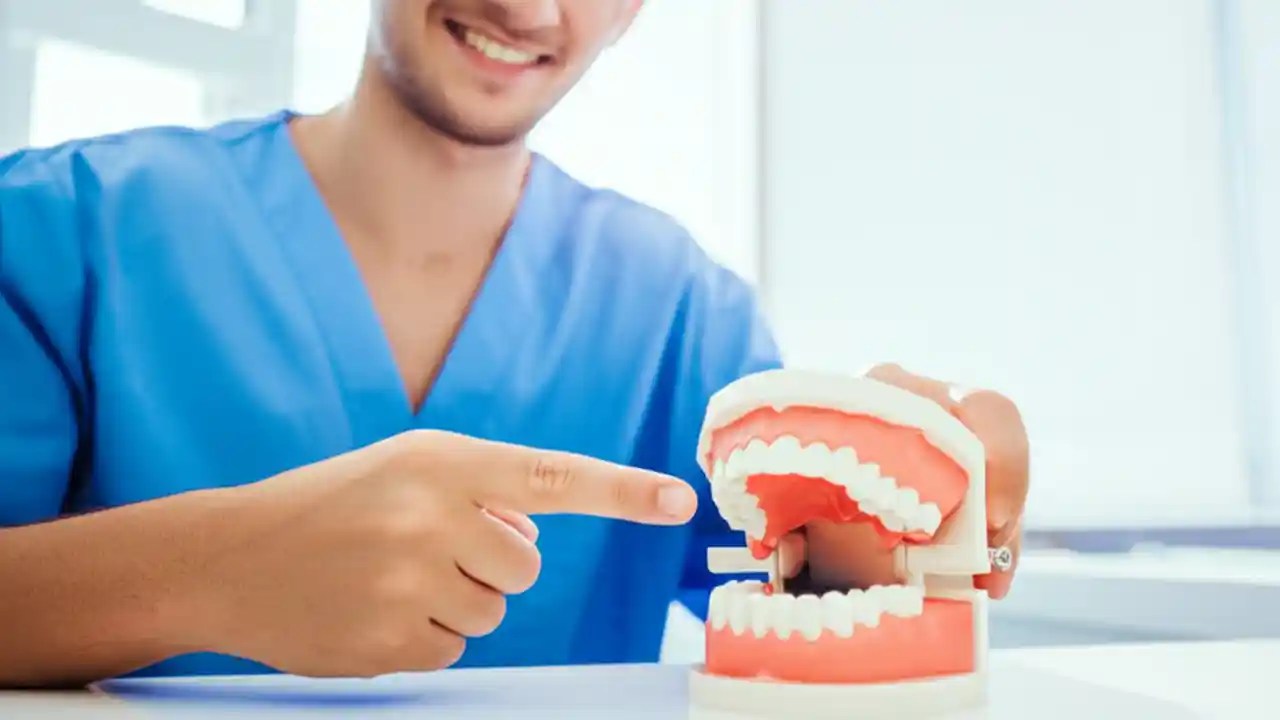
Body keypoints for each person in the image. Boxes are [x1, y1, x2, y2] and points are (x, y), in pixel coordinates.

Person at [0, 0, 1030, 688]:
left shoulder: (682, 309)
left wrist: (897, 521)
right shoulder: (65, 228)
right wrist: (209, 573)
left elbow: (798, 601)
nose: (529, 8)